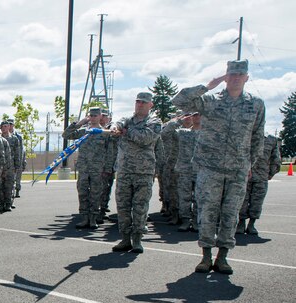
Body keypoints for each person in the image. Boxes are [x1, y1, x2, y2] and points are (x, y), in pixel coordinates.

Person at [173, 59, 265, 274]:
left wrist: (249, 163)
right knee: (207, 211)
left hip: (238, 169)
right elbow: (179, 101)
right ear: (226, 76)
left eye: (240, 75)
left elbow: (257, 136)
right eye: (231, 74)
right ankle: (205, 256)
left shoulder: (256, 104)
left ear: (246, 78)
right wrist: (208, 85)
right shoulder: (210, 100)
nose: (235, 78)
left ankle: (222, 257)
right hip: (209, 168)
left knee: (231, 213)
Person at [110, 92, 162, 253]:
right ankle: (125, 239)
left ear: (150, 105)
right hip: (124, 171)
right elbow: (117, 124)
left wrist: (126, 132)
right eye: (138, 101)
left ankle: (137, 239)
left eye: (144, 102)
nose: (140, 104)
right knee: (123, 206)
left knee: (140, 207)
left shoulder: (154, 122)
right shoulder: (127, 120)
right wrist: (115, 128)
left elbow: (145, 138)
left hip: (143, 172)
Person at [63, 107, 112, 229]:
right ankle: (84, 218)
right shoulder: (84, 131)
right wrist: (79, 124)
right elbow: (66, 135)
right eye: (91, 116)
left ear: (100, 116)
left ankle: (93, 219)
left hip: (98, 169)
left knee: (96, 194)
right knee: (83, 193)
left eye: (95, 116)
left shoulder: (104, 133)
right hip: (84, 168)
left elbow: (109, 153)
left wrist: (107, 169)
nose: (93, 118)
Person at [238, 134, 281, 235]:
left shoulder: (271, 140)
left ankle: (251, 224)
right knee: (242, 201)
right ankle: (241, 223)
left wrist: (271, 174)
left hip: (261, 177)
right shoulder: (245, 135)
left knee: (257, 201)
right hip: (245, 176)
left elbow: (276, 159)